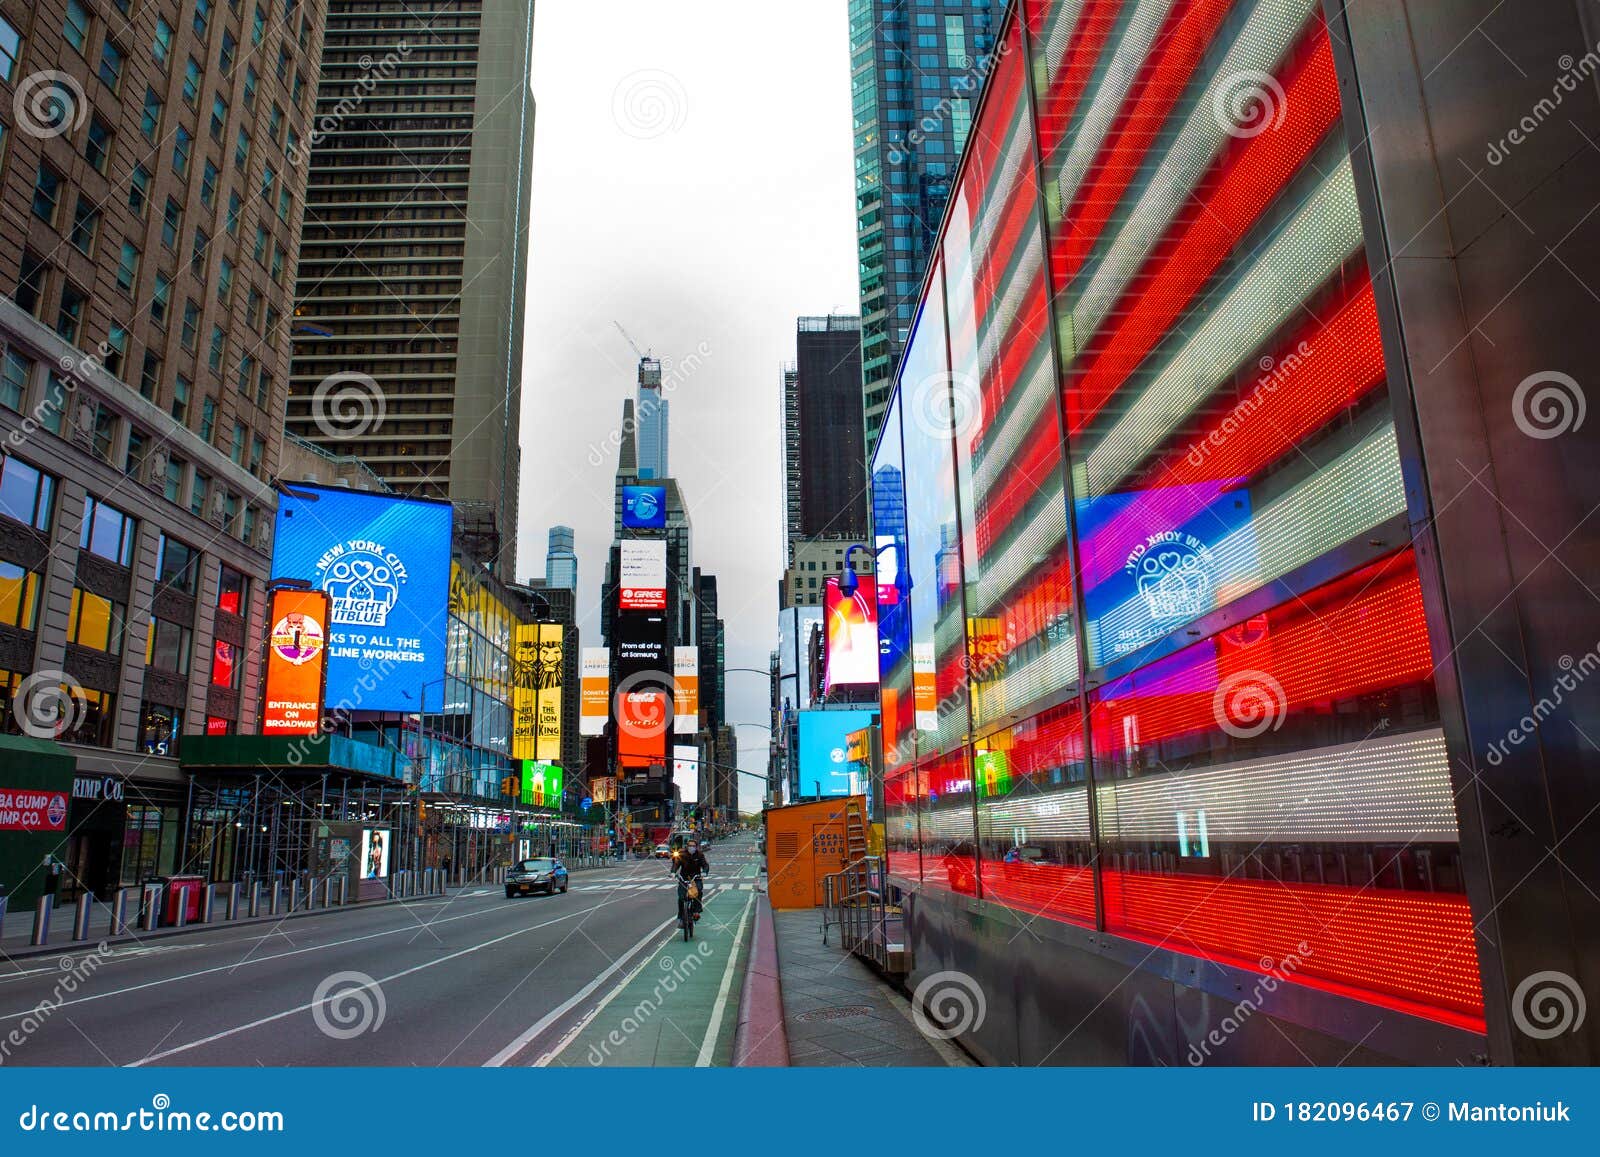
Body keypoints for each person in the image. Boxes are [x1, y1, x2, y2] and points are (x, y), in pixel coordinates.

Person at [669, 838, 710, 923]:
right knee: (681, 897)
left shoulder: (700, 855)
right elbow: (676, 864)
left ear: (696, 847)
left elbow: (705, 865)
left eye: (693, 846)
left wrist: (704, 872)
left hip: (696, 878)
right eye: (690, 846)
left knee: (698, 891)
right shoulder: (682, 854)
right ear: (687, 847)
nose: (692, 847)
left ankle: (696, 911)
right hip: (683, 877)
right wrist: (673, 872)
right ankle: (680, 917)